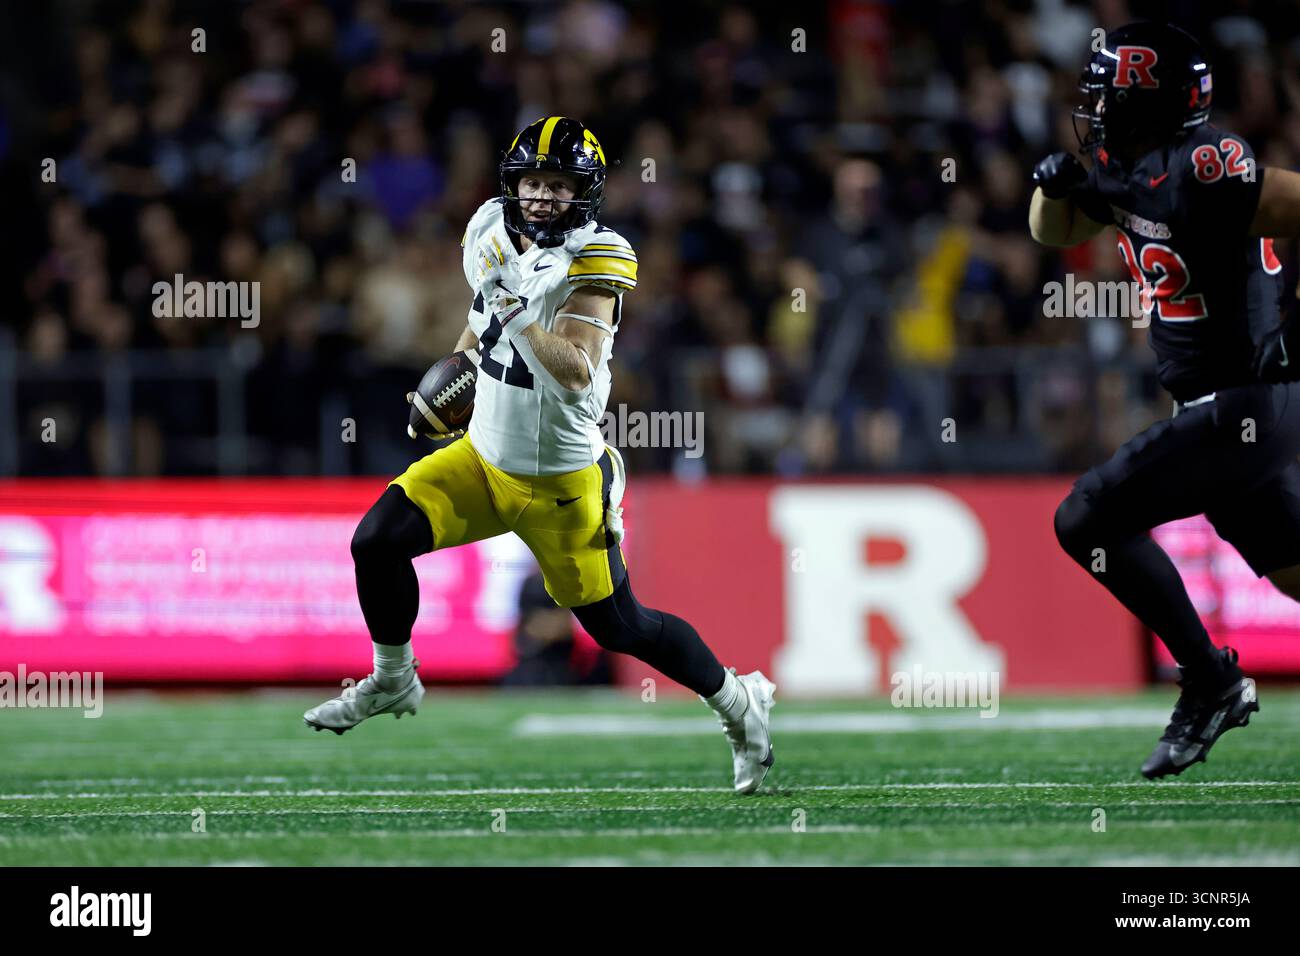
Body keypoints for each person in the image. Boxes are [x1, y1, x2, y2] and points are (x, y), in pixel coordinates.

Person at [304, 116, 775, 794]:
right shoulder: (488, 230)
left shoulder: (599, 256)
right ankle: (392, 678)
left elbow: (577, 369)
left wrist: (515, 309)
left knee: (622, 627)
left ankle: (737, 702)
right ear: (512, 185)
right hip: (483, 458)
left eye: (559, 185)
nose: (544, 197)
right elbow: (478, 325)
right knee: (376, 541)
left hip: (558, 476)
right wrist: (457, 376)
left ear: (585, 193)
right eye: (533, 182)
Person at [1030, 21, 1300, 778]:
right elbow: (1051, 232)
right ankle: (1213, 682)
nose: (1094, 105)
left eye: (1106, 90)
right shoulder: (1126, 162)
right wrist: (1055, 186)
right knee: (1293, 570)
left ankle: (1211, 681)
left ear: (1142, 98)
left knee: (1086, 517)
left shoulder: (1204, 164)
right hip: (1220, 411)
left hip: (1247, 399)